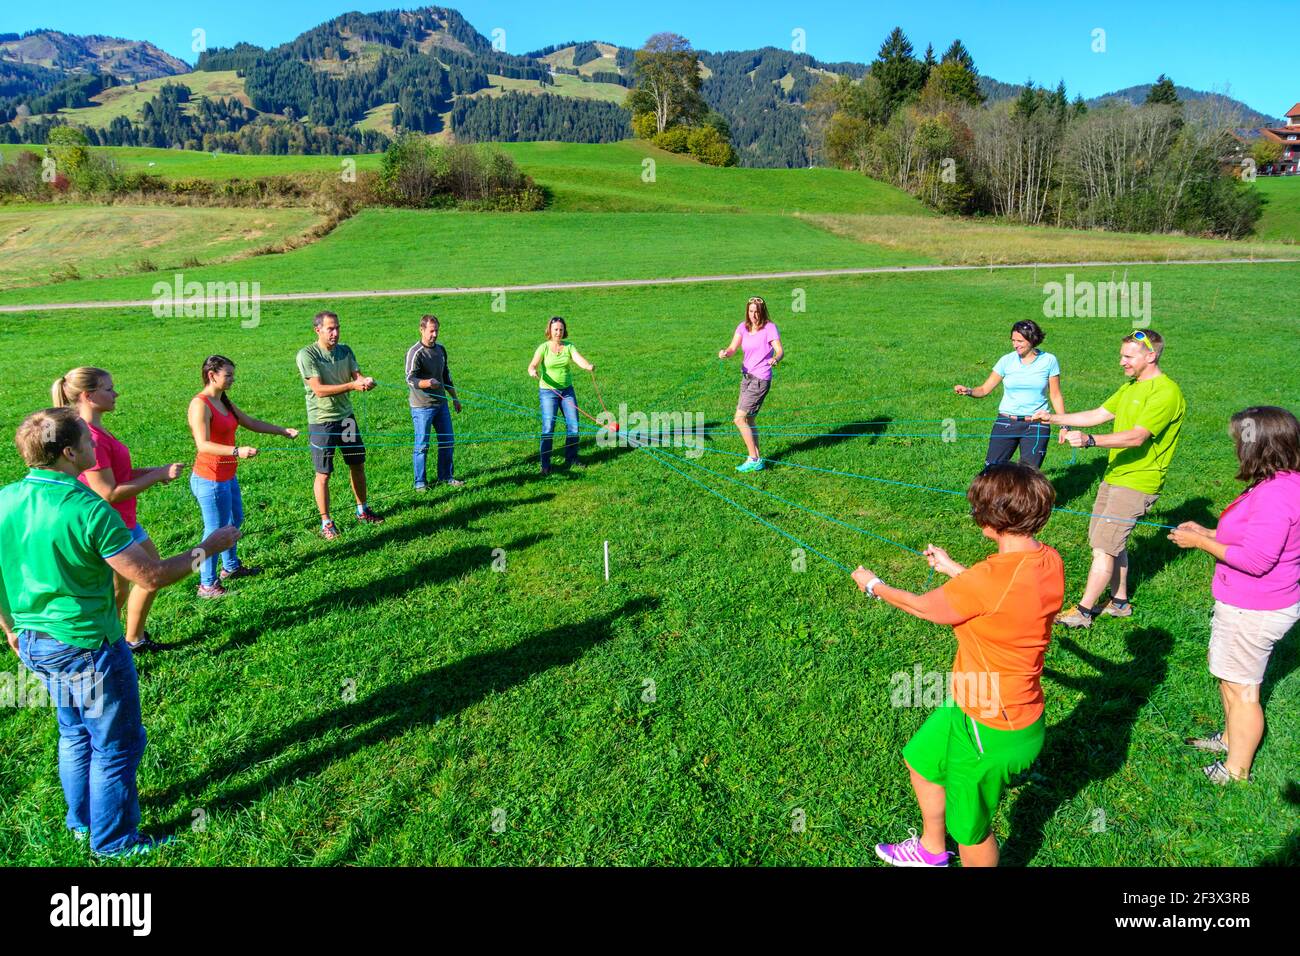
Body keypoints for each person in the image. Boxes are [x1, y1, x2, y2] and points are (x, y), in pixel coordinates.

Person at [0, 408, 239, 856]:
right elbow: (149, 576)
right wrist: (208, 547)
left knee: (73, 732)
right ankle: (113, 842)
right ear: (69, 452)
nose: (95, 447)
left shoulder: (5, 499)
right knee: (117, 744)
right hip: (88, 648)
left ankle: (81, 821)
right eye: (87, 443)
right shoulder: (90, 509)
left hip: (36, 642)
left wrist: (11, 628)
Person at [851, 462, 1063, 867]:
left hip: (992, 724)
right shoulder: (1048, 559)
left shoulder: (985, 582)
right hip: (976, 703)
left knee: (971, 831)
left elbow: (924, 607)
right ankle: (931, 852)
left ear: (990, 520)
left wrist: (875, 586)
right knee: (922, 760)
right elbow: (1002, 598)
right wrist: (953, 570)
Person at [1168, 406, 1300, 784]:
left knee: (1243, 690)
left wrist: (1198, 542)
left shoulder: (1275, 495)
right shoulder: (1284, 482)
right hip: (1257, 603)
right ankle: (1229, 739)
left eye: (1237, 441)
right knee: (1231, 679)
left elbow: (1257, 559)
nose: (1234, 447)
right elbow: (1259, 539)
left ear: (1256, 446)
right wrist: (1210, 533)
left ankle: (1236, 769)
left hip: (1253, 607)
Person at [1032, 329, 1184, 628]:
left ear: (1150, 356)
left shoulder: (1165, 393)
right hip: (1115, 475)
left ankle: (1083, 612)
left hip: (1138, 481)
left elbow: (1137, 437)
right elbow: (1098, 414)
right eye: (1122, 355)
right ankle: (1119, 602)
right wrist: (1053, 418)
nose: (1121, 362)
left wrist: (1090, 441)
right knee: (1109, 543)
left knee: (1104, 546)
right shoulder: (1130, 387)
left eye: (1128, 356)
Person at [53, 367, 184, 653]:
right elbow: (107, 492)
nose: (116, 394)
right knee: (117, 591)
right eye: (109, 389)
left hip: (125, 520)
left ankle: (133, 639)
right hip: (109, 525)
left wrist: (154, 472)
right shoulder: (91, 438)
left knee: (148, 577)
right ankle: (100, 646)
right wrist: (156, 475)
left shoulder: (97, 430)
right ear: (88, 396)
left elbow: (117, 473)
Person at [187, 355, 299, 598]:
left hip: (228, 474)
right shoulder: (200, 404)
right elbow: (203, 444)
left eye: (232, 375)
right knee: (214, 531)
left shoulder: (223, 401)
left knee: (234, 520)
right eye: (228, 375)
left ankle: (231, 567)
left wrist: (281, 431)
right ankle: (207, 584)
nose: (232, 379)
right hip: (210, 477)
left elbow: (249, 422)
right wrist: (237, 451)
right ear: (212, 375)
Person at [296, 311, 382, 539]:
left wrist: (366, 382)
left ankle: (362, 510)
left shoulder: (345, 351)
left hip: (346, 419)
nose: (335, 333)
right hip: (322, 422)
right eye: (330, 329)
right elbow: (319, 390)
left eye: (337, 328)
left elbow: (358, 376)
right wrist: (352, 386)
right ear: (318, 330)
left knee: (357, 464)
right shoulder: (308, 355)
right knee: (323, 474)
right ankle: (326, 522)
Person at [953, 320, 1064, 470]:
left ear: (1032, 339)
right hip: (1006, 422)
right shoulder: (1007, 360)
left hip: (1037, 424)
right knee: (991, 472)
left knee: (1029, 476)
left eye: (1020, 341)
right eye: (1013, 340)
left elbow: (1055, 395)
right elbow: (984, 389)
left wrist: (1064, 424)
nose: (1015, 345)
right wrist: (969, 391)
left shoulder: (1049, 360)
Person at [718, 296, 783, 473]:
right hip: (746, 378)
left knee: (739, 419)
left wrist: (775, 359)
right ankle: (758, 459)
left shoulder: (769, 327)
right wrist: (725, 353)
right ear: (747, 311)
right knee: (749, 419)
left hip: (761, 379)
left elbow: (780, 351)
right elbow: (732, 348)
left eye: (757, 311)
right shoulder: (743, 327)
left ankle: (753, 458)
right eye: (751, 311)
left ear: (762, 312)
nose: (754, 315)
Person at [528, 316, 594, 475]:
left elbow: (579, 359)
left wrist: (588, 366)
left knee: (573, 425)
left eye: (561, 330)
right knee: (548, 427)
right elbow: (533, 364)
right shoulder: (543, 347)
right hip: (548, 392)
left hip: (567, 391)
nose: (558, 332)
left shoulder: (569, 346)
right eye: (555, 329)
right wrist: (532, 370)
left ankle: (571, 458)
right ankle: (545, 464)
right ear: (550, 331)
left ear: (564, 331)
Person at [405, 314, 463, 490]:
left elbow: (446, 376)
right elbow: (410, 378)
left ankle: (445, 476)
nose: (435, 334)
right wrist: (427, 383)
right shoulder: (416, 352)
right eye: (431, 331)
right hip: (422, 407)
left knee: (447, 441)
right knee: (422, 445)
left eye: (437, 330)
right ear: (422, 330)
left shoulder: (441, 350)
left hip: (441, 405)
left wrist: (454, 398)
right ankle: (420, 483)